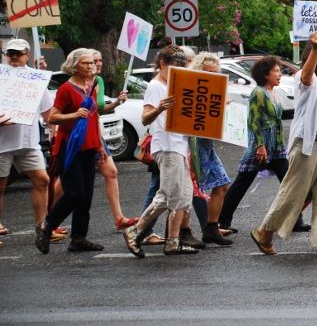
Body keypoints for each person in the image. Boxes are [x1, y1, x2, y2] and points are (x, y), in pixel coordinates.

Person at [250, 32, 317, 256]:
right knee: (295, 190)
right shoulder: (306, 76)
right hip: (307, 142)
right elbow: (305, 79)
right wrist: (313, 48)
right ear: (310, 53)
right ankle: (264, 231)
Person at [122, 45, 199, 257]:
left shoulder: (175, 84)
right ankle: (136, 230)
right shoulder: (156, 86)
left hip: (179, 145)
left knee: (183, 196)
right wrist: (159, 108)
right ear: (162, 63)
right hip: (166, 145)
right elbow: (145, 117)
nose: (179, 69)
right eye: (175, 65)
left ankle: (173, 241)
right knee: (168, 194)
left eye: (182, 66)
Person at [219, 55, 308, 233]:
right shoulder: (258, 93)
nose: (280, 74)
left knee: (289, 182)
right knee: (242, 183)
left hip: (276, 147)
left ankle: (296, 220)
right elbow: (253, 121)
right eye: (276, 71)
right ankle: (222, 222)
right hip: (260, 147)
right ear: (265, 74)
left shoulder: (274, 92)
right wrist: (260, 146)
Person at [35, 48, 106, 253]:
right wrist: (73, 115)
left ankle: (78, 238)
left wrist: (100, 144)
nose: (91, 66)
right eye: (85, 63)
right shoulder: (66, 89)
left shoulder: (92, 86)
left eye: (92, 62)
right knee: (75, 192)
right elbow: (52, 117)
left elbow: (95, 116)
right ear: (75, 66)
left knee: (87, 196)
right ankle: (48, 225)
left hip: (90, 145)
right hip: (71, 146)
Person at [0, 40, 54, 249]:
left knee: (42, 180)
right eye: (10, 53)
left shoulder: (36, 80)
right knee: (0, 187)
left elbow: (48, 113)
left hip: (28, 142)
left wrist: (53, 132)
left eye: (19, 54)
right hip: (2, 143)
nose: (14, 57)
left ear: (27, 56)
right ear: (6, 55)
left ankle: (41, 226)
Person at [87, 49, 137, 230]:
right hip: (81, 134)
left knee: (111, 172)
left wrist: (116, 102)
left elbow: (99, 109)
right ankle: (49, 219)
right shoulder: (78, 83)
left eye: (100, 60)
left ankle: (119, 218)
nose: (98, 63)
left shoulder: (98, 80)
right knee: (66, 179)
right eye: (94, 60)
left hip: (95, 132)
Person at [188, 52, 233, 246]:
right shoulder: (191, 87)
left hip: (207, 145)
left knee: (221, 184)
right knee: (184, 191)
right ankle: (176, 232)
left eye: (214, 72)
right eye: (207, 71)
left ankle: (211, 228)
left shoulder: (217, 88)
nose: (211, 75)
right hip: (192, 145)